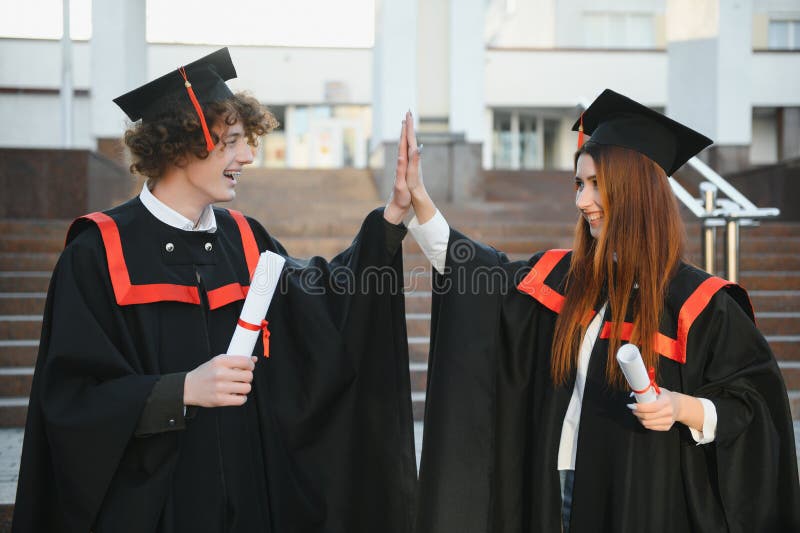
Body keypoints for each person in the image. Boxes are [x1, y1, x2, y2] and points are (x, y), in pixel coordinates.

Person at [12, 48, 416, 533]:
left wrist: (391, 218)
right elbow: (70, 401)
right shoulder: (97, 253)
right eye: (232, 142)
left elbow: (327, 305)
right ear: (182, 145)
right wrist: (179, 390)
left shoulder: (244, 239)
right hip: (158, 508)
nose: (247, 155)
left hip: (249, 499)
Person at [397, 90, 800, 532]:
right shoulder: (558, 279)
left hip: (639, 504)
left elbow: (755, 410)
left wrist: (683, 407)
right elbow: (477, 276)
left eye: (595, 184)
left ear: (634, 192)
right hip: (554, 493)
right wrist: (419, 198)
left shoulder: (700, 304)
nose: (581, 200)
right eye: (578, 184)